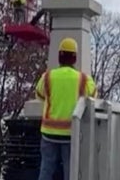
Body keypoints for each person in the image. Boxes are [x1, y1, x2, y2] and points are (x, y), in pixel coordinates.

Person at [35, 38, 97, 180]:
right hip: (71, 134)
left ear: (59, 56)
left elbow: (40, 94)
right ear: (74, 58)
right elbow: (93, 97)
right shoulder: (83, 79)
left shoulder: (48, 77)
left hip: (49, 133)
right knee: (70, 173)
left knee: (46, 170)